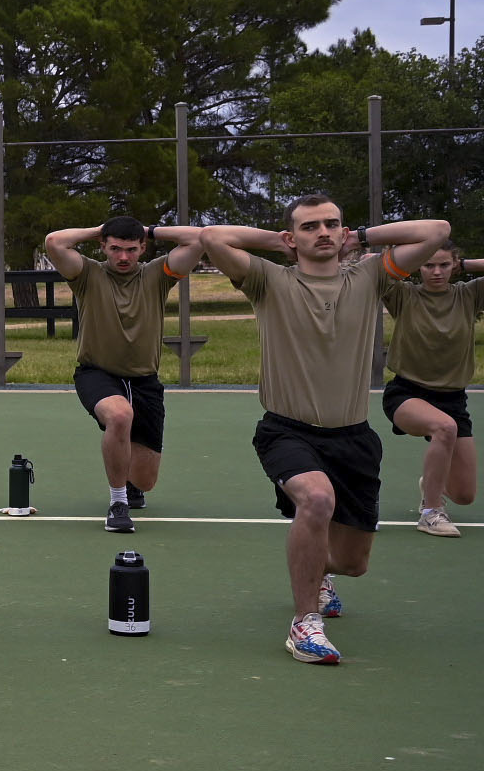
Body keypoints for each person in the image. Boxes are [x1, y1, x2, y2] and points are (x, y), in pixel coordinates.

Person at [199, 201, 451, 662]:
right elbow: (213, 237)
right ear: (292, 237)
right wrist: (275, 242)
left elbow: (436, 230)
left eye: (332, 224)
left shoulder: (370, 276)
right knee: (316, 500)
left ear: (345, 232)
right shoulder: (268, 280)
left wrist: (367, 238)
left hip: (354, 438)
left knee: (354, 563)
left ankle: (317, 569)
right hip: (287, 431)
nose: (324, 232)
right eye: (310, 226)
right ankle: (304, 624)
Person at [42, 217, 205, 531]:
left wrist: (151, 230)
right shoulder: (86, 273)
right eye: (115, 248)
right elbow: (54, 242)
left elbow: (201, 238)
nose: (123, 257)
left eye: (131, 249)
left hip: (145, 381)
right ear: (103, 246)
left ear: (143, 247)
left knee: (145, 479)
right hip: (97, 374)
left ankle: (131, 486)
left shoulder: (159, 274)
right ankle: (118, 503)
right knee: (119, 415)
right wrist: (99, 228)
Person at [383, 242, 481, 536]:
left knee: (464, 495)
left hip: (453, 398)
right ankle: (430, 512)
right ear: (418, 267)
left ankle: (432, 481)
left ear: (455, 265)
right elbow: (370, 263)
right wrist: (409, 256)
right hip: (407, 393)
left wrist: (467, 266)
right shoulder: (403, 294)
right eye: (428, 265)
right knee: (444, 427)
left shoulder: (469, 294)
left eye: (445, 265)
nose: (436, 272)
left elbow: (462, 271)